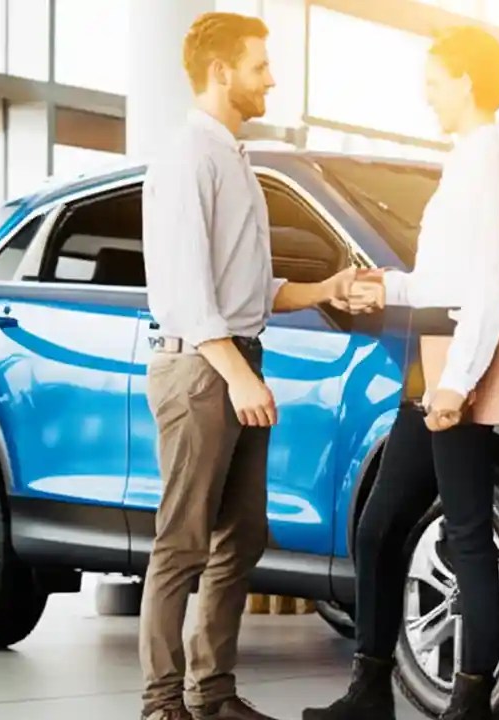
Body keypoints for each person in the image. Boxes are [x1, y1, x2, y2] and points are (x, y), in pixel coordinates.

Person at [139, 12, 358, 720]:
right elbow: (187, 291)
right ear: (222, 71)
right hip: (203, 369)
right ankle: (160, 703)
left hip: (237, 360)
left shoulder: (235, 157)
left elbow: (246, 288)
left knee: (243, 536)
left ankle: (212, 694)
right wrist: (238, 376)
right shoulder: (187, 156)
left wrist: (324, 290)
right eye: (261, 66)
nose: (271, 79)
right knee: (182, 542)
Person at [303, 26, 499, 720]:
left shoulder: (487, 163)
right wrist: (387, 290)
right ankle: (370, 689)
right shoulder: (464, 161)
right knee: (378, 526)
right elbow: (441, 278)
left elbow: (486, 287)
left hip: (459, 354)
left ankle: (472, 701)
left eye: (433, 82)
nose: (427, 97)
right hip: (431, 348)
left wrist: (459, 381)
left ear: (466, 80)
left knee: (465, 531)